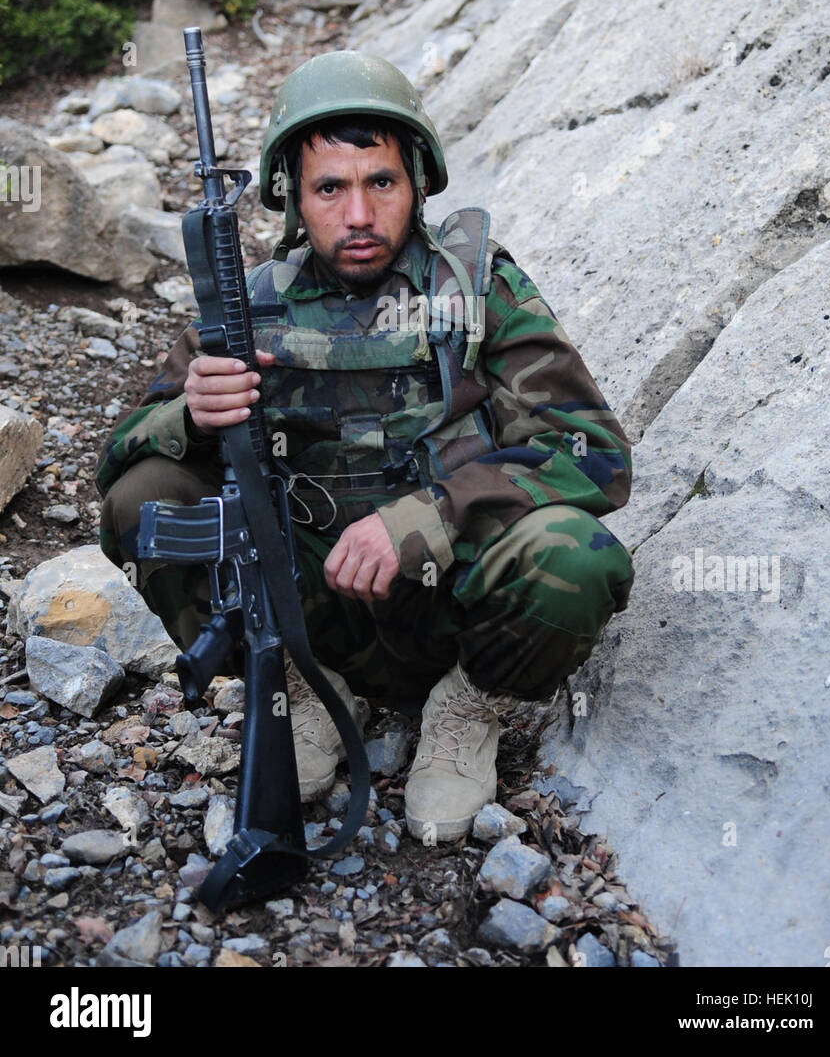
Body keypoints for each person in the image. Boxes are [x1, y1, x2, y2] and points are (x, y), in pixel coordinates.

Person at [97, 51, 634, 843]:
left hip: (452, 599)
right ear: (291, 199)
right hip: (307, 607)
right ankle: (301, 691)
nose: (357, 214)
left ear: (415, 182)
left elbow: (592, 453)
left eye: (379, 182)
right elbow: (118, 460)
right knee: (141, 502)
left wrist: (431, 515)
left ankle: (468, 706)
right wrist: (190, 414)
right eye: (329, 188)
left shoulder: (474, 290)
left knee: (580, 557)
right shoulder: (250, 307)